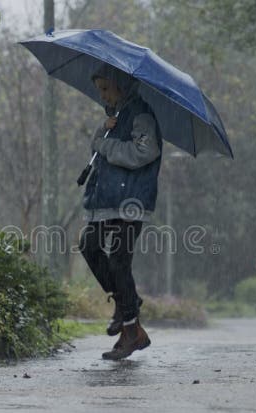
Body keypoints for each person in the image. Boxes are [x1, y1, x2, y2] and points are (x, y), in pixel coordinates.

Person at [79, 64, 162, 360]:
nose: (102, 95)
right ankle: (127, 303)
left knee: (118, 261)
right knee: (89, 245)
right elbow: (97, 147)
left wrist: (108, 144)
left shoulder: (141, 115)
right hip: (107, 201)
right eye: (99, 89)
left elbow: (145, 151)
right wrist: (103, 131)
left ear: (121, 85)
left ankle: (131, 330)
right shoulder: (116, 116)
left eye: (105, 89)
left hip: (131, 203)